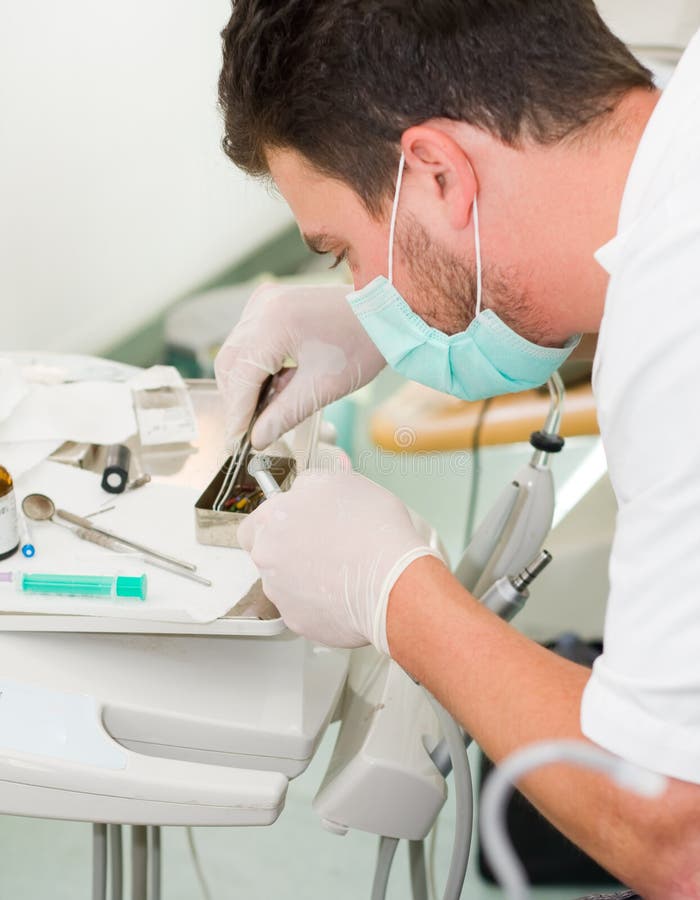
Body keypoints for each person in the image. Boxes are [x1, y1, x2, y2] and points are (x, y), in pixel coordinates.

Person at [214, 3, 700, 895]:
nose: (362, 293)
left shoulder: (682, 324)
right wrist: (395, 326)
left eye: (344, 255)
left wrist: (395, 593)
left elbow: (678, 835)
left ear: (437, 173)